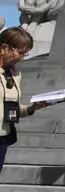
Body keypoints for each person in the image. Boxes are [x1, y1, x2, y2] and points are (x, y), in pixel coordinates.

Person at [1, 28, 45, 170]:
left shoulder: (14, 75)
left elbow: (13, 108)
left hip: (3, 137)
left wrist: (32, 108)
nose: (22, 57)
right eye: (20, 52)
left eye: (25, 53)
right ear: (4, 48)